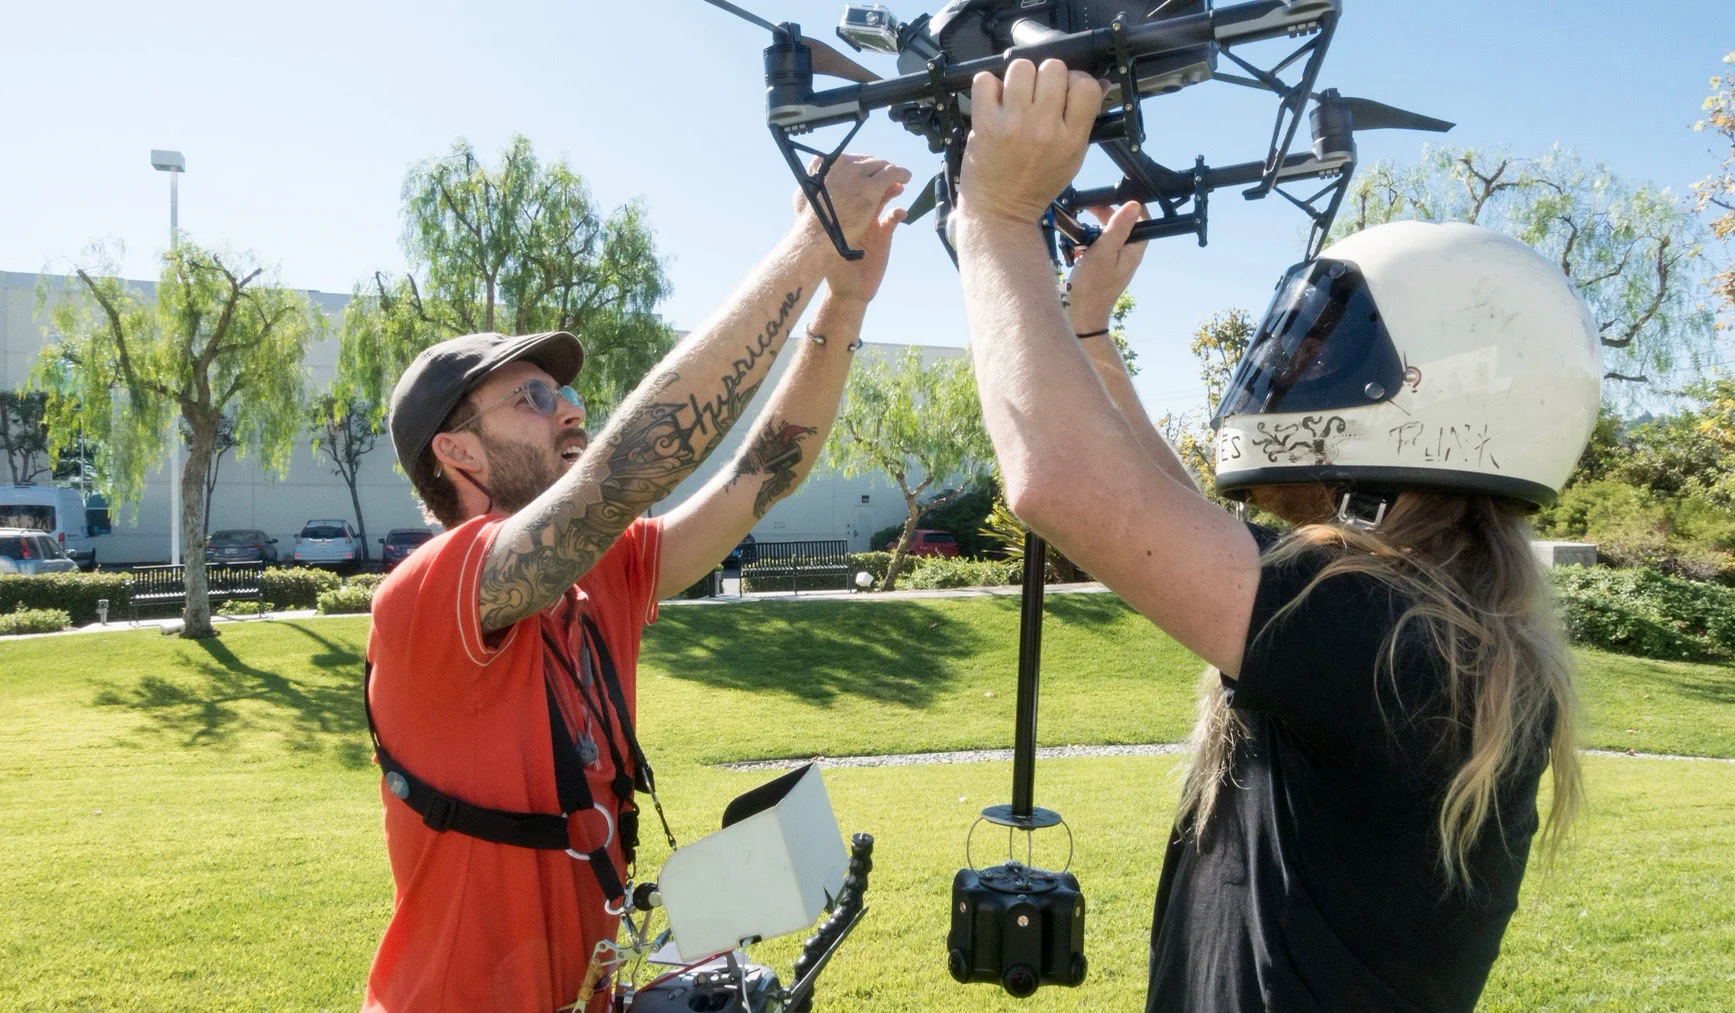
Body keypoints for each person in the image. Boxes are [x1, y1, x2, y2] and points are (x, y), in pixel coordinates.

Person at [951, 58, 1602, 1011]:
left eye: (1335, 348)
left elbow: (1065, 484)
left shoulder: (1389, 640)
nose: (1295, 368)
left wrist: (994, 219)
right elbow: (1174, 524)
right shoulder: (1439, 631)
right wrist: (1088, 332)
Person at [361, 154, 911, 1012]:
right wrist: (808, 245)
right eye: (533, 397)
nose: (571, 409)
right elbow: (631, 466)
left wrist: (842, 303)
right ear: (458, 451)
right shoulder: (430, 596)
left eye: (566, 391)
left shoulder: (605, 568)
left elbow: (764, 476)